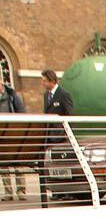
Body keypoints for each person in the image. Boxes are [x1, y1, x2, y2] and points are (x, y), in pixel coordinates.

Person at [38, 69, 73, 206]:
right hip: (50, 136)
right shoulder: (46, 95)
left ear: (52, 81)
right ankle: (57, 191)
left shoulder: (64, 95)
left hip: (60, 137)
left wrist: (65, 133)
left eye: (44, 81)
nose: (42, 83)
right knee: (52, 164)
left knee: (63, 164)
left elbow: (69, 115)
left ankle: (66, 191)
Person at [0, 77, 26, 202]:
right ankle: (8, 191)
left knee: (17, 163)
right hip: (0, 135)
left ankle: (21, 191)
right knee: (3, 165)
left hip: (12, 132)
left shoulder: (11, 94)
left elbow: (21, 111)